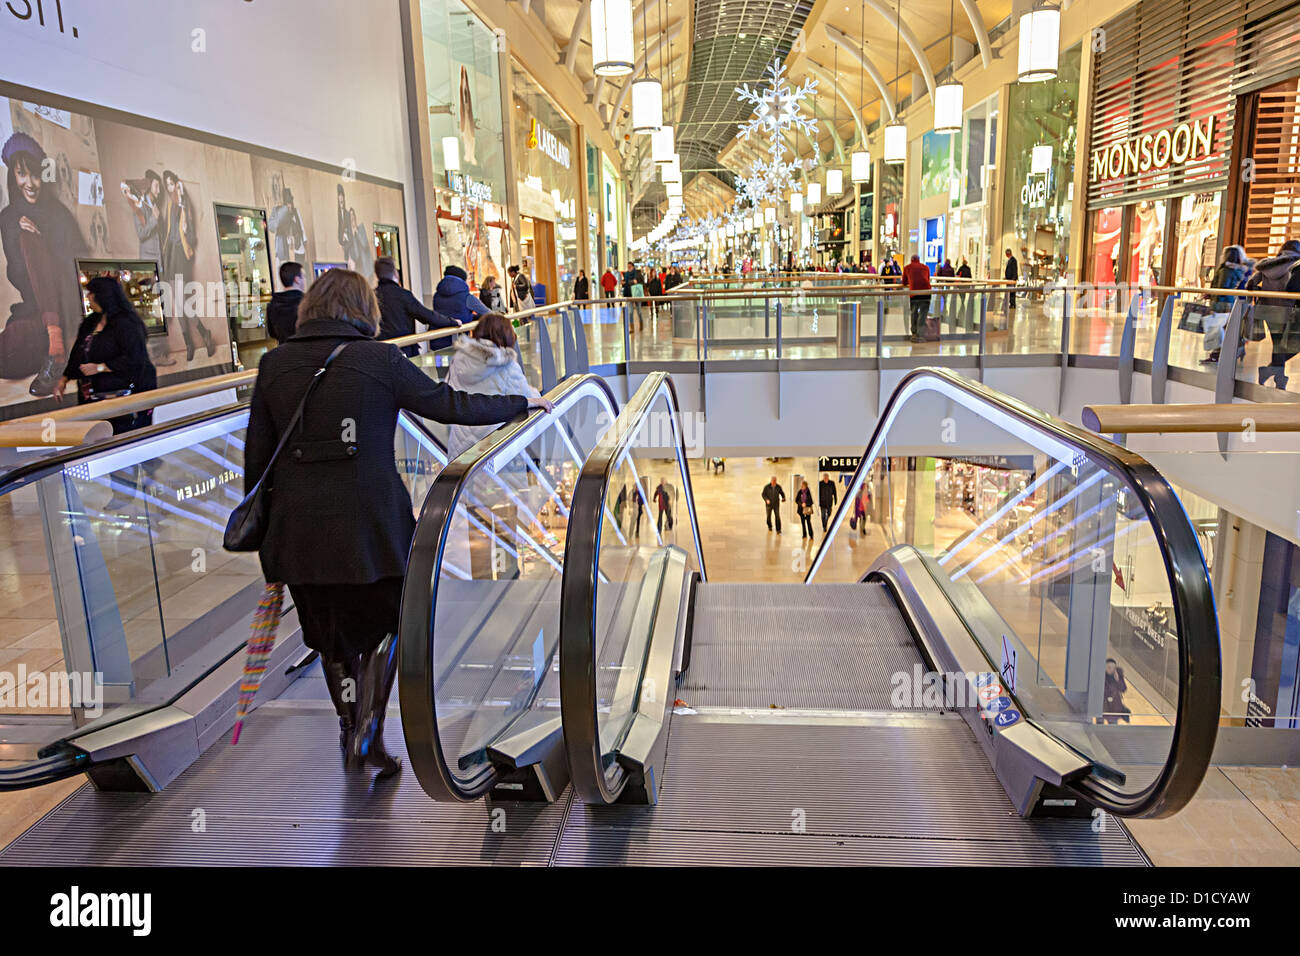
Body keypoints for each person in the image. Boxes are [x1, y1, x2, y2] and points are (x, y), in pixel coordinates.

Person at [244, 270, 552, 778]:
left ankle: (349, 726)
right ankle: (369, 725)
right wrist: (521, 402)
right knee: (388, 624)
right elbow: (448, 404)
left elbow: (257, 462)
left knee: (328, 637)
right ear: (364, 310)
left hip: (298, 533)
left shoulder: (275, 364)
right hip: (372, 527)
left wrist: (268, 534)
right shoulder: (378, 359)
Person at [1, 132, 90, 396]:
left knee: (30, 239)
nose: (30, 183)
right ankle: (53, 346)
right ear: (13, 177)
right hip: (34, 312)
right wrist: (17, 233)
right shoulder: (8, 219)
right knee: (8, 349)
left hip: (64, 311)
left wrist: (38, 241)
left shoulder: (58, 215)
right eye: (22, 174)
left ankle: (56, 345)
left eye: (36, 175)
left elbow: (73, 272)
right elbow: (17, 275)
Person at [54, 274, 158, 432]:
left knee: (122, 438)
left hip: (124, 396)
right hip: (93, 396)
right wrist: (64, 378)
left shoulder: (126, 323)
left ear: (102, 296)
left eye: (91, 293)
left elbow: (136, 359)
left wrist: (102, 367)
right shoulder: (90, 322)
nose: (88, 297)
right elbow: (78, 353)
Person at [445, 312, 540, 459]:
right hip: (496, 451)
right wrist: (537, 393)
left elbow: (447, 394)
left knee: (464, 482)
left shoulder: (458, 361)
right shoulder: (506, 365)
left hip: (460, 452)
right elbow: (526, 400)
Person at [160, 169, 217, 362]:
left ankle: (202, 334)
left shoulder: (185, 204)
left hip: (182, 257)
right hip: (170, 258)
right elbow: (167, 234)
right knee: (178, 303)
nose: (170, 187)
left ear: (177, 183)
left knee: (183, 301)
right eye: (167, 184)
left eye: (172, 182)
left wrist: (186, 230)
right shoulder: (169, 206)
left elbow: (192, 237)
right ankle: (191, 342)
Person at [376, 256, 459, 357]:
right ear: (395, 273)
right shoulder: (402, 295)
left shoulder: (372, 296)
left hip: (380, 352)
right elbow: (427, 315)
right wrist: (452, 322)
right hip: (404, 350)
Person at [1246, 239, 1300, 389]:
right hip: (1288, 311)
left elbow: (1250, 284)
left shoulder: (1268, 265)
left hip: (1268, 311)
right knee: (1284, 347)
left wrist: (1262, 291)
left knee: (1278, 346)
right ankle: (1276, 377)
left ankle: (1273, 373)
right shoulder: (1296, 266)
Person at [1202, 246, 1254, 362]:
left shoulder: (1225, 270)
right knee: (1228, 329)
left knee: (1216, 328)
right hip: (1232, 302)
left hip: (1221, 303)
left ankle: (1216, 354)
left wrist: (1212, 298)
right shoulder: (1241, 270)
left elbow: (1222, 287)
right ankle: (1236, 350)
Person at [267, 261, 306, 345]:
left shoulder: (272, 304)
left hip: (283, 351)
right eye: (303, 277)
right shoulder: (308, 302)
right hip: (306, 352)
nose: (304, 280)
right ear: (297, 280)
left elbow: (272, 333)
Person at [902, 254, 932, 342]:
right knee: (923, 314)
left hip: (914, 293)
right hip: (926, 292)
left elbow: (904, 282)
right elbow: (928, 279)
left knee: (914, 312)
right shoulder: (925, 267)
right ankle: (920, 334)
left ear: (911, 260)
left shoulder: (907, 268)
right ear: (919, 260)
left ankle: (914, 334)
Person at [1100, 658, 1131, 725]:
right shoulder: (1101, 676)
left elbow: (1123, 689)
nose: (1111, 669)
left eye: (1113, 668)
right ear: (1105, 668)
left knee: (1113, 726)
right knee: (1099, 726)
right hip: (1102, 706)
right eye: (1109, 667)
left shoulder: (1118, 676)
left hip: (1115, 706)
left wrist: (1117, 680)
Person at [1003, 248, 1019, 314]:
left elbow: (1014, 270)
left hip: (1011, 280)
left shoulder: (1013, 260)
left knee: (1012, 292)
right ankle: (1011, 303)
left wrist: (1013, 279)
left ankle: (1012, 304)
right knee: (1010, 292)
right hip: (1009, 279)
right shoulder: (1010, 260)